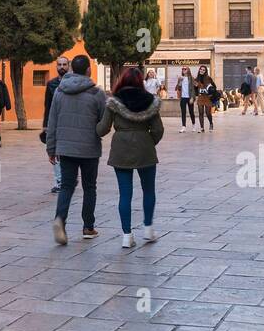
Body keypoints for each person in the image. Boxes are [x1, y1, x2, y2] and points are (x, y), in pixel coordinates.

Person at [98, 66, 164, 248]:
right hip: (145, 149)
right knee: (149, 190)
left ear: (122, 81)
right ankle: (149, 229)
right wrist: (149, 142)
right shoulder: (151, 101)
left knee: (125, 193)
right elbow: (158, 130)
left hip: (121, 149)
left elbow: (103, 128)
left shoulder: (113, 102)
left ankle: (127, 236)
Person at [46, 55, 108, 244]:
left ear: (72, 69)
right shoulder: (97, 93)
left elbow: (52, 121)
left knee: (66, 185)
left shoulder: (60, 91)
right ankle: (88, 227)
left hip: (65, 147)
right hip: (89, 148)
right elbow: (103, 124)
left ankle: (60, 219)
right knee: (89, 187)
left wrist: (51, 148)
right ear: (88, 70)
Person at [42, 55, 70, 191]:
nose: (62, 67)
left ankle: (69, 179)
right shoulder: (51, 84)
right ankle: (59, 181)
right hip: (55, 123)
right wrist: (45, 125)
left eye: (64, 64)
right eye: (59, 65)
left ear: (69, 66)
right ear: (56, 66)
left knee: (68, 154)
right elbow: (47, 106)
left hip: (70, 123)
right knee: (56, 152)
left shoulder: (73, 83)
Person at [176, 66, 194, 131]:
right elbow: (178, 88)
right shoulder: (181, 78)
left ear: (188, 70)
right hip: (183, 97)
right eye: (183, 69)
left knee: (191, 112)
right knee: (183, 112)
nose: (184, 70)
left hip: (189, 97)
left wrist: (192, 97)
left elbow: (193, 89)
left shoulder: (191, 78)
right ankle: (183, 127)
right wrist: (180, 81)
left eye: (185, 69)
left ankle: (193, 125)